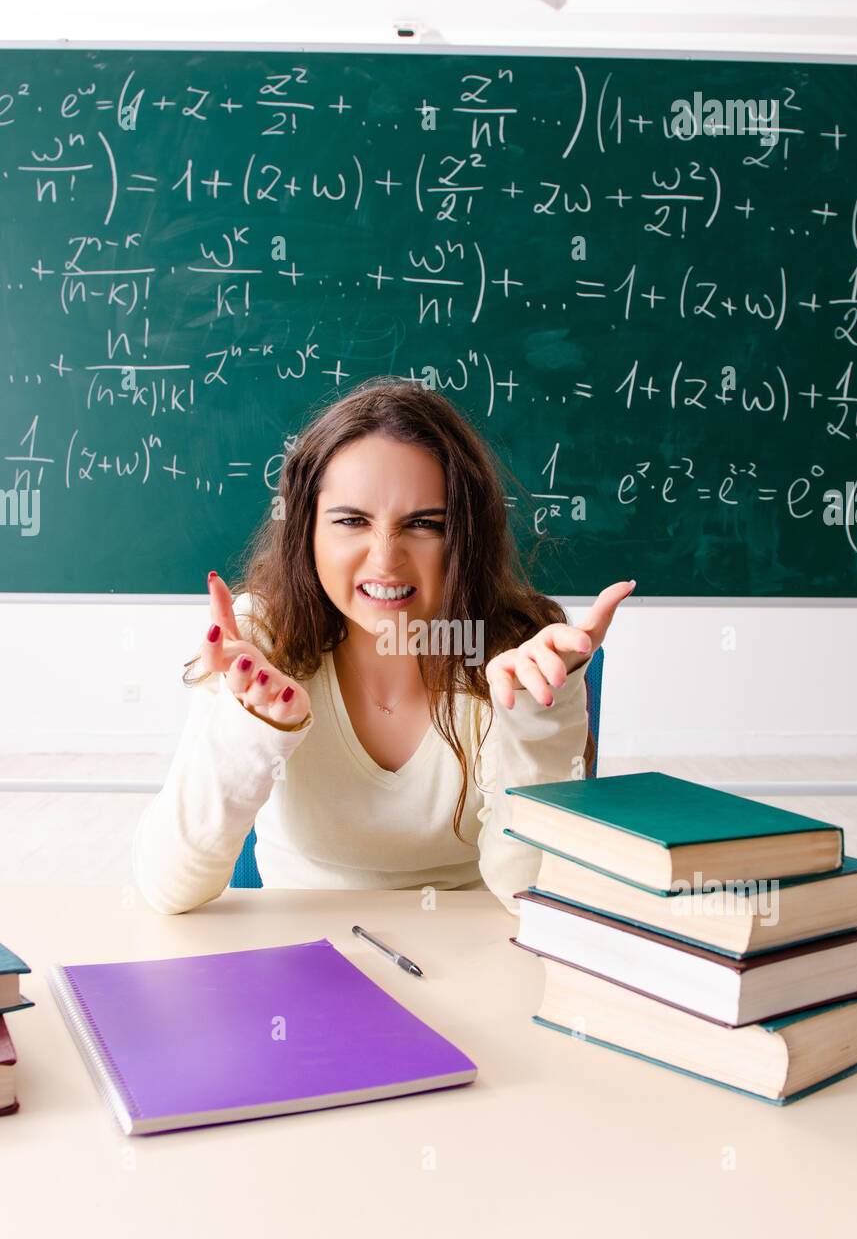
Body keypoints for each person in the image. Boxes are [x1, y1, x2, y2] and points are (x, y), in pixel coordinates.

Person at [132, 377, 634, 916]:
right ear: (306, 529)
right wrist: (249, 730)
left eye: (424, 524)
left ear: (465, 535)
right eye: (352, 521)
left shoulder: (517, 649)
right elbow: (165, 888)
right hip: (300, 956)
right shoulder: (259, 641)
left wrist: (536, 718)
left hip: (474, 956)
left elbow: (530, 896)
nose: (385, 559)